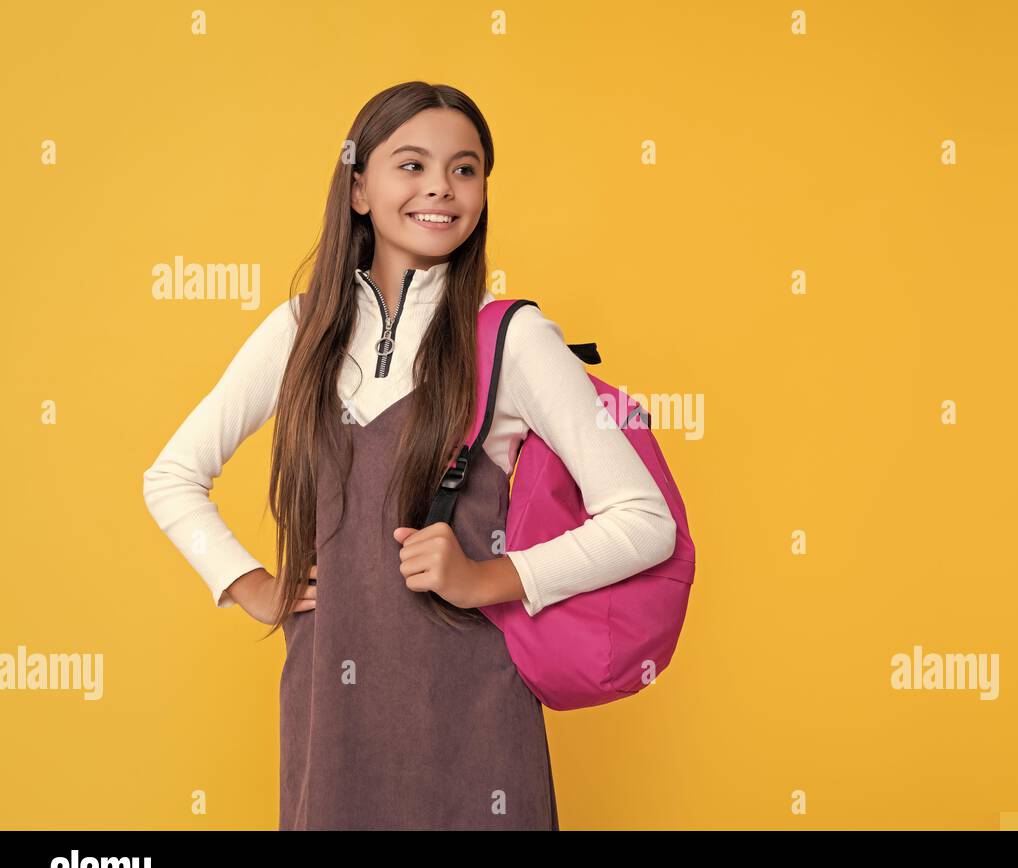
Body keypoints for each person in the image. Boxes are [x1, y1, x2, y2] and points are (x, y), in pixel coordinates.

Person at [142, 82, 678, 829]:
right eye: (412, 165)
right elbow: (171, 476)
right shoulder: (300, 332)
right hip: (328, 714)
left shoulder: (512, 338)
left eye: (465, 169)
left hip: (474, 724)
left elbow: (646, 521)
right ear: (358, 186)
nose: (441, 188)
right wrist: (247, 583)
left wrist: (489, 576)